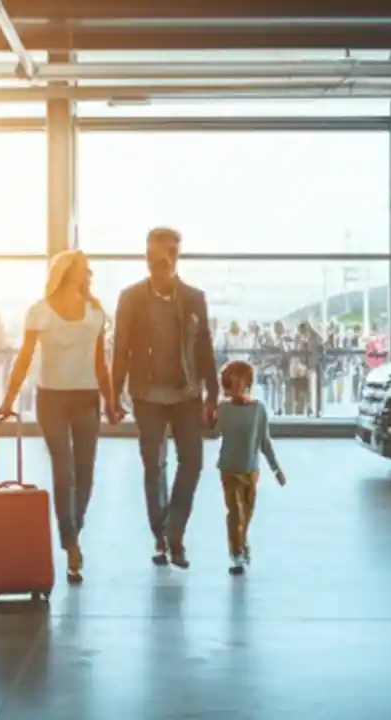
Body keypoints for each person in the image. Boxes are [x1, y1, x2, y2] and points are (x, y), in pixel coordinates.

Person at [0, 250, 119, 585]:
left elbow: (100, 364)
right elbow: (24, 358)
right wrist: (8, 399)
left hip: (86, 398)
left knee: (86, 474)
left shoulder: (95, 313)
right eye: (85, 269)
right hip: (51, 398)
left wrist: (110, 401)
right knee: (63, 470)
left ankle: (73, 528)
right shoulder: (39, 312)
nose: (90, 274)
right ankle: (71, 543)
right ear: (68, 272)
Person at [111, 227, 218, 570]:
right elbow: (121, 350)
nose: (164, 259)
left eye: (171, 252)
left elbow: (204, 348)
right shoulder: (130, 298)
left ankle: (175, 530)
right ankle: (162, 536)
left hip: (186, 393)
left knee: (193, 462)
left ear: (178, 256)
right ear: (146, 257)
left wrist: (213, 394)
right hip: (147, 393)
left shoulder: (194, 297)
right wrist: (112, 394)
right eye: (158, 253)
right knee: (154, 467)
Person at [215, 360, 286, 576]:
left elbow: (264, 442)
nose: (237, 386)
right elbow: (213, 432)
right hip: (229, 468)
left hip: (250, 470)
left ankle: (242, 543)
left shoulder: (258, 410)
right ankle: (236, 553)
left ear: (248, 383)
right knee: (235, 512)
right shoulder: (223, 409)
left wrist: (276, 469)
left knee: (246, 512)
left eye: (241, 381)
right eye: (232, 381)